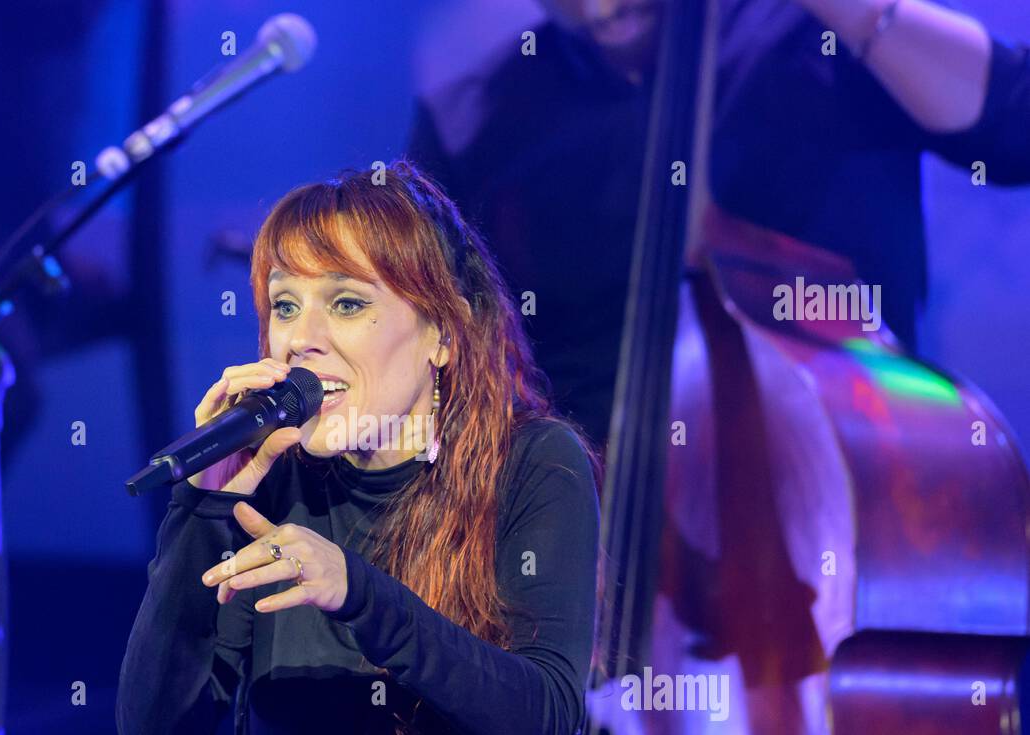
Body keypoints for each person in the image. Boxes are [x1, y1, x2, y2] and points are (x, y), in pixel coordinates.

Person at [115, 161, 602, 735]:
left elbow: (546, 720)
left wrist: (354, 589)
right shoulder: (272, 487)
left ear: (441, 332)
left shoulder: (533, 463)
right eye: (284, 306)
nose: (300, 338)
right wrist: (201, 507)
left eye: (345, 303)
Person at [406, 0, 1030, 449]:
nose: (599, 9)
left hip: (845, 496)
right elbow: (437, 354)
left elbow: (1014, 129)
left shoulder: (819, 35)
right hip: (586, 543)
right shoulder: (482, 114)